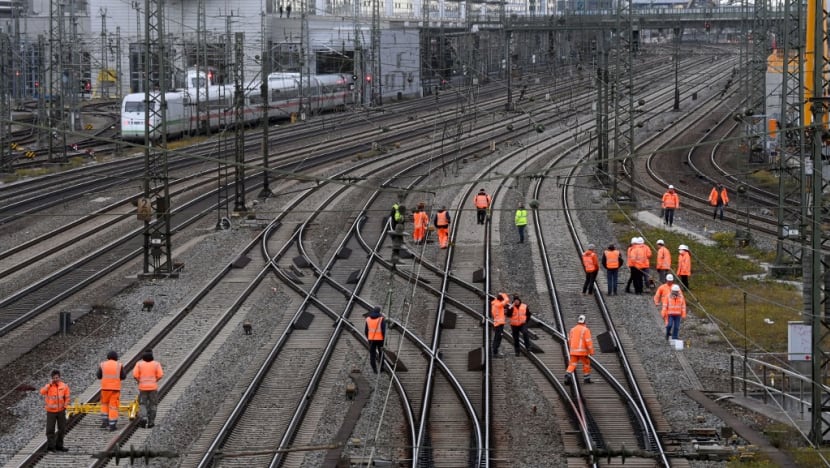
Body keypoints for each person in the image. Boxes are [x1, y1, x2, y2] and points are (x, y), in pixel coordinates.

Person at [40, 370, 70, 452]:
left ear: (60, 377)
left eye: (57, 377)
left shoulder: (64, 386)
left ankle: (59, 446)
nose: (56, 379)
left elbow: (67, 397)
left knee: (62, 429)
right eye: (54, 378)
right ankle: (51, 446)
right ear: (52, 378)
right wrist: (49, 385)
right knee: (50, 429)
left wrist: (65, 406)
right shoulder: (48, 386)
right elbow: (42, 392)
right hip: (51, 411)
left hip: (61, 411)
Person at [133, 349, 164, 428]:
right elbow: (160, 375)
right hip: (153, 388)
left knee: (143, 404)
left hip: (142, 387)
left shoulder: (139, 364)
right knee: (153, 404)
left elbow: (135, 375)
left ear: (143, 357)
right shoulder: (156, 364)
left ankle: (143, 417)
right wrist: (155, 380)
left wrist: (139, 381)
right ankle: (151, 422)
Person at [97, 350, 126, 431]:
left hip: (105, 389)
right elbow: (123, 376)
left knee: (104, 405)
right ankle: (112, 424)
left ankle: (104, 423)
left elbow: (99, 376)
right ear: (116, 357)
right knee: (113, 406)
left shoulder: (102, 364)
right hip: (115, 389)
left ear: (108, 357)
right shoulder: (119, 365)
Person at [565, 315, 595, 384]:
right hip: (582, 352)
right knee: (586, 363)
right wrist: (591, 351)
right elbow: (588, 341)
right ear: (584, 321)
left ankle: (568, 375)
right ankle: (586, 379)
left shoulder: (572, 329)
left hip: (573, 351)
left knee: (572, 364)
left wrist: (571, 349)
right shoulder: (585, 330)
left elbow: (570, 340)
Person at [365, 306, 386, 374]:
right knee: (381, 353)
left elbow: (366, 331)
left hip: (371, 340)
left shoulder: (368, 319)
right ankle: (381, 368)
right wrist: (384, 340)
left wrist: (368, 338)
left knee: (372, 355)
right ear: (379, 311)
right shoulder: (381, 319)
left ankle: (374, 370)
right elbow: (383, 331)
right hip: (380, 340)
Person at [491, 293, 510, 357]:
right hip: (499, 324)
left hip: (498, 323)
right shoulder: (498, 304)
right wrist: (504, 295)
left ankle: (495, 351)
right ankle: (495, 352)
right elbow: (507, 300)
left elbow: (497, 313)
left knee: (497, 337)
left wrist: (502, 313)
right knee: (498, 338)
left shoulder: (495, 303)